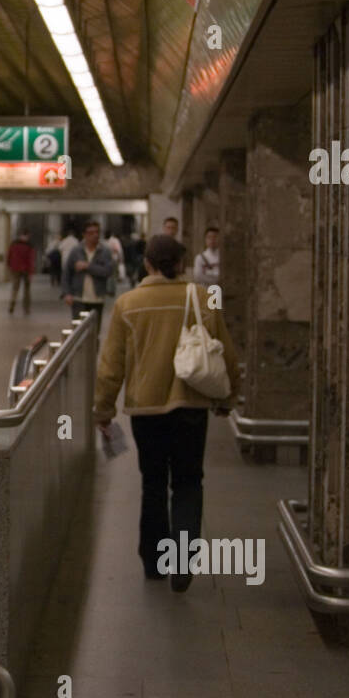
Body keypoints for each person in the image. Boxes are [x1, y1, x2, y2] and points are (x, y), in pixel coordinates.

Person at [94, 235, 241, 592]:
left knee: (153, 483)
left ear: (147, 263)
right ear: (180, 264)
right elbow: (227, 356)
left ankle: (154, 561)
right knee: (189, 482)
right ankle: (183, 562)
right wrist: (228, 399)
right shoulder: (203, 299)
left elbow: (111, 365)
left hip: (146, 409)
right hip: (191, 407)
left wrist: (104, 408)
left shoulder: (128, 304)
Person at [62, 220, 114, 326]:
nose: (95, 235)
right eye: (91, 233)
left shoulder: (105, 251)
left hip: (97, 298)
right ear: (84, 235)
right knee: (78, 331)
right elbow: (67, 273)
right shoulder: (76, 251)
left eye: (97, 232)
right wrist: (66, 293)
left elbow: (107, 271)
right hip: (78, 298)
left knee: (94, 331)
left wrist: (88, 266)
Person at [7, 229, 36, 315]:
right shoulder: (29, 246)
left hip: (15, 269)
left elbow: (9, 256)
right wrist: (31, 272)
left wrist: (10, 266)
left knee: (15, 288)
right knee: (26, 290)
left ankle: (12, 303)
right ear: (27, 236)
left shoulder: (13, 244)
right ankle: (26, 308)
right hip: (26, 270)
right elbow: (31, 260)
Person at [105, 230, 125, 295]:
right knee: (112, 275)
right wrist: (121, 259)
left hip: (111, 260)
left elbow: (117, 250)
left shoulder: (106, 241)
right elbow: (119, 250)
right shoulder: (114, 240)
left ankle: (110, 290)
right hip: (112, 259)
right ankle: (111, 290)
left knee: (110, 275)